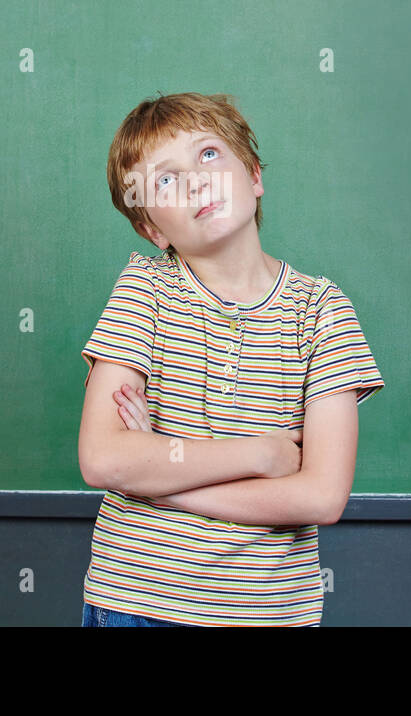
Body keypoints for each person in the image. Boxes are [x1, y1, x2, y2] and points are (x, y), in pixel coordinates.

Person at [77, 92, 384, 626]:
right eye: (165, 180)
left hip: (271, 614)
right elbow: (104, 460)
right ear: (151, 227)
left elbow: (321, 496)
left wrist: (157, 478)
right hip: (138, 605)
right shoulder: (144, 288)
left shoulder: (320, 310)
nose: (196, 180)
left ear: (255, 176)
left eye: (210, 155)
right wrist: (258, 456)